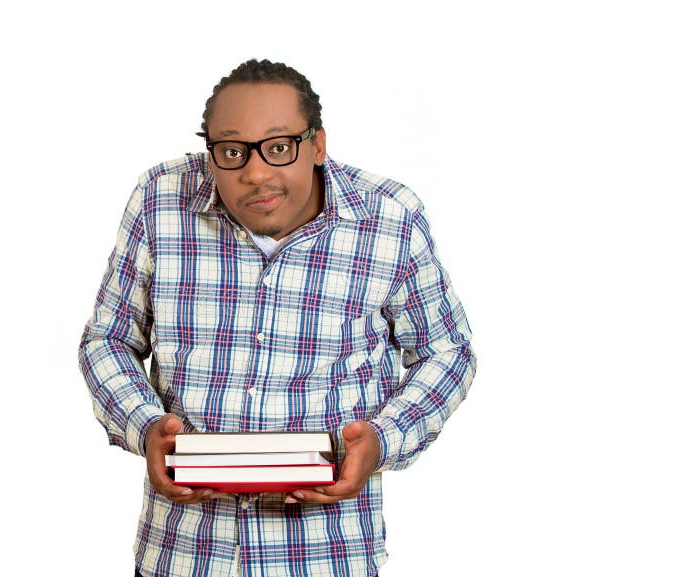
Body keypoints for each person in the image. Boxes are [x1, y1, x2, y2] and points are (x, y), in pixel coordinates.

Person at [79, 59, 476, 577]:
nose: (256, 172)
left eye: (279, 146)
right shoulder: (159, 200)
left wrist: (383, 439)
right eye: (231, 150)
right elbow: (108, 338)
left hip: (328, 552)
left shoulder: (390, 218)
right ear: (211, 153)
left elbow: (447, 351)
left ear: (317, 144)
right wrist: (146, 427)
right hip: (183, 551)